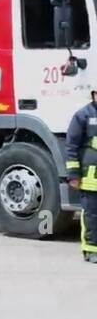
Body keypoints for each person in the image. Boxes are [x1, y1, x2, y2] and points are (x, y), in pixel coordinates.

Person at [65, 89, 97, 264]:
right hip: (90, 179)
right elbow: (71, 146)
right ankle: (91, 251)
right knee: (91, 216)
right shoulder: (83, 115)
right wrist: (74, 175)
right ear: (93, 94)